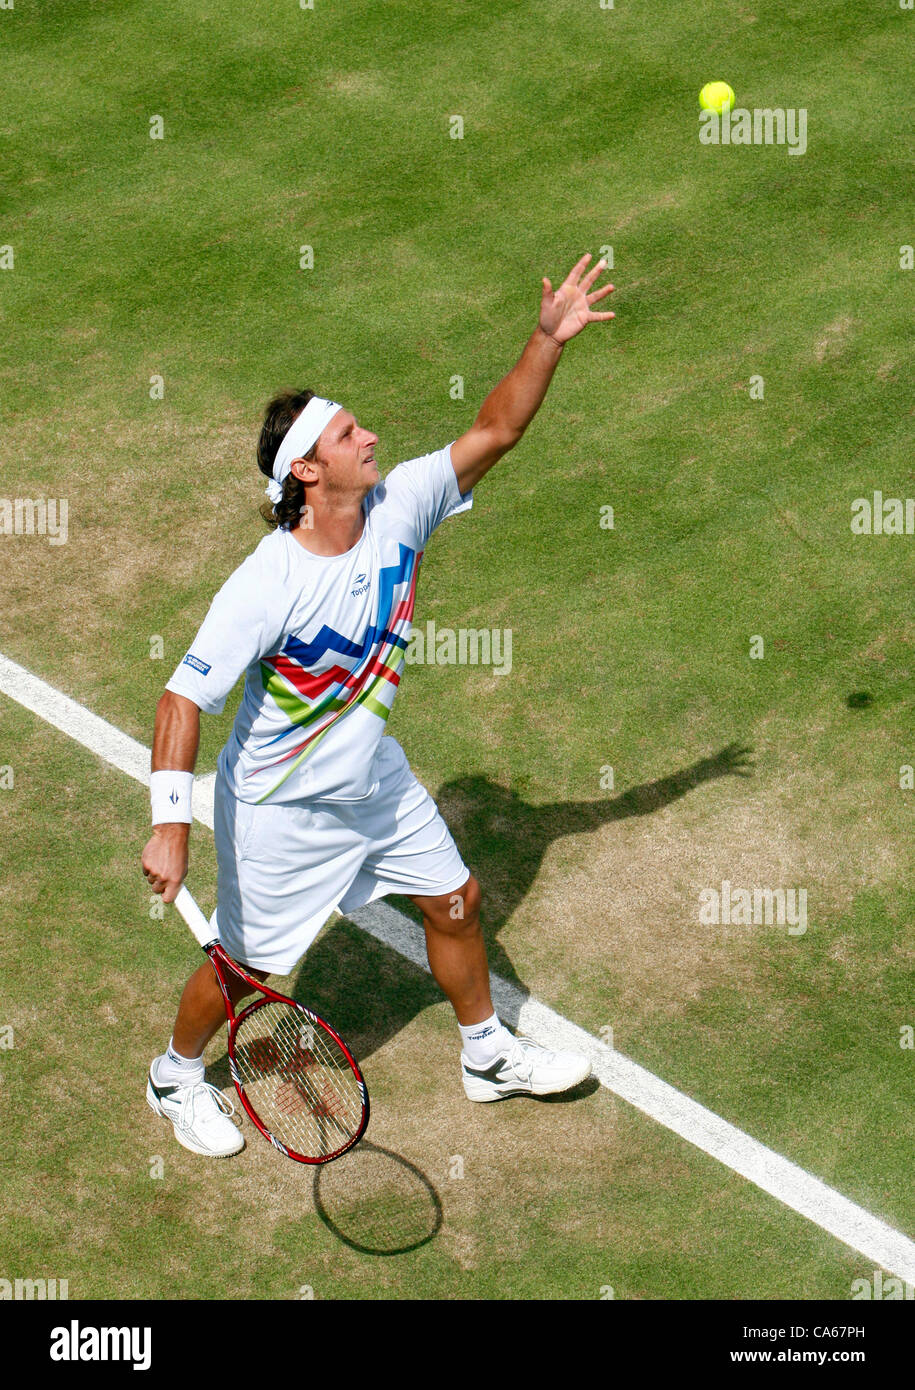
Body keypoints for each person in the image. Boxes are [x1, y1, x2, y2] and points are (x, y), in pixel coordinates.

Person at [141, 253, 616, 1156]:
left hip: (373, 779)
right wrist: (171, 825)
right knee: (247, 969)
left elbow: (496, 429)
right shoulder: (265, 584)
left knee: (457, 901)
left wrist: (546, 341)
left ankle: (486, 1054)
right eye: (349, 434)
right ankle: (175, 1077)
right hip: (278, 805)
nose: (370, 438)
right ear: (309, 473)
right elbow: (181, 697)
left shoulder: (402, 506)